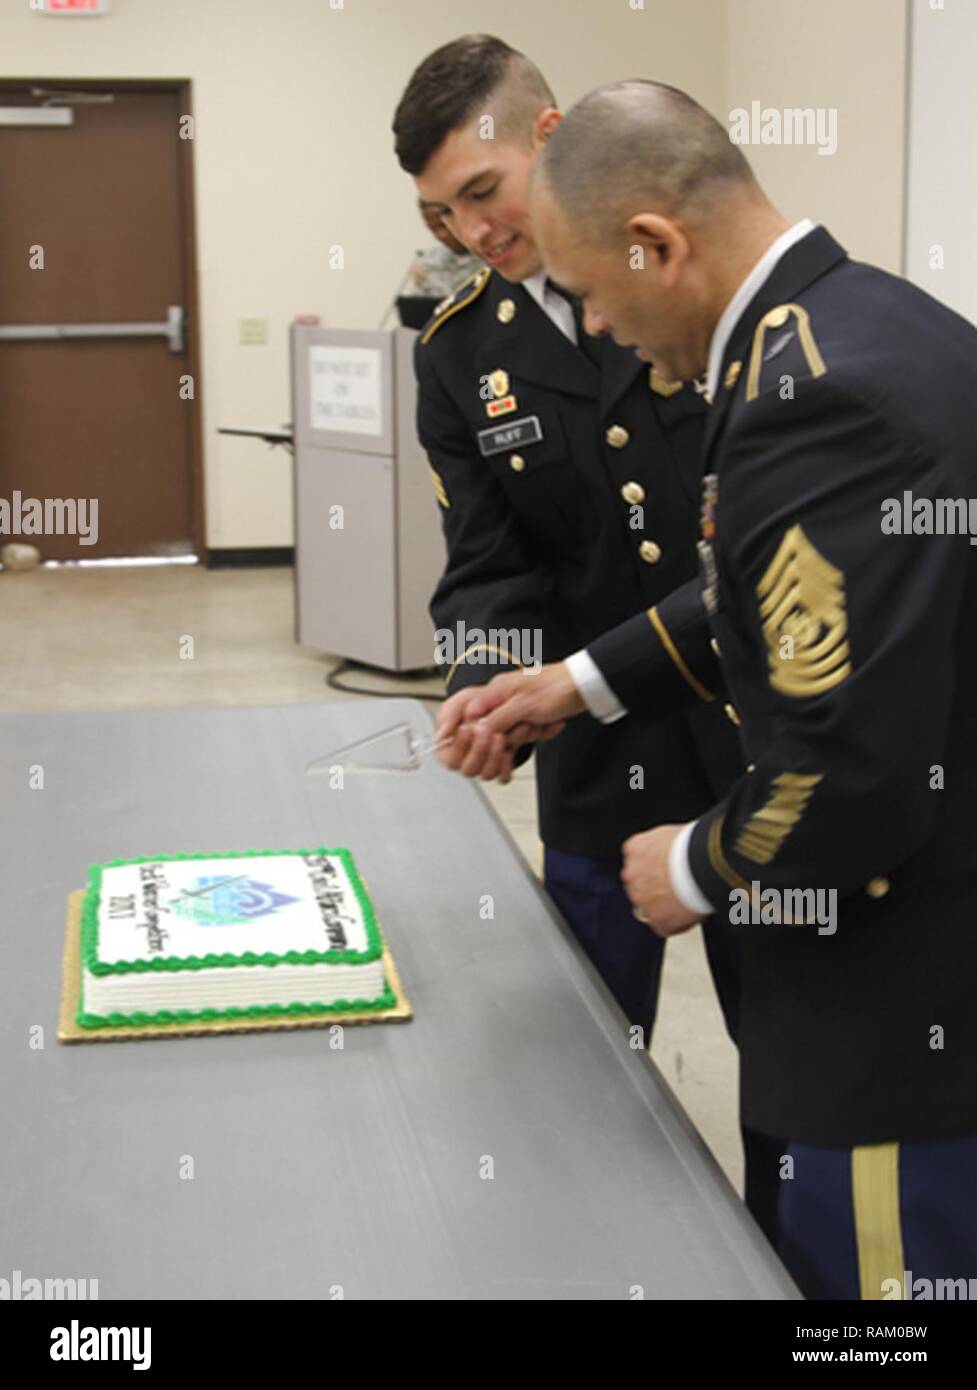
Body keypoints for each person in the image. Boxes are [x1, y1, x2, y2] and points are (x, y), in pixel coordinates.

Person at [463, 78, 977, 1300]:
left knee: (872, 1296)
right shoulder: (866, 325)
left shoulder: (812, 400)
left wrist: (695, 865)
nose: (592, 331)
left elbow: (848, 769)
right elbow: (776, 599)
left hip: (893, 1002)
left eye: (590, 293)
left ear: (655, 244)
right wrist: (577, 684)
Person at [391, 38, 753, 1123]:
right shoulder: (457, 355)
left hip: (753, 735)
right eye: (443, 214)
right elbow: (491, 562)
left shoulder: (690, 284)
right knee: (581, 1065)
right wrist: (488, 686)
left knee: (784, 1041)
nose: (471, 233)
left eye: (481, 193)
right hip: (596, 749)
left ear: (549, 137)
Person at [406, 202, 484, 301]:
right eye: (432, 228)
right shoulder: (427, 264)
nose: (441, 235)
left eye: (443, 225)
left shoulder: (492, 254)